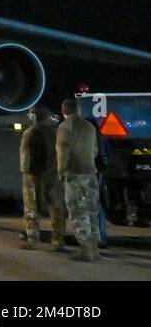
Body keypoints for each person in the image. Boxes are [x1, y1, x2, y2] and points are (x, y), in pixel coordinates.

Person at [57, 97, 101, 262]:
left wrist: (61, 172)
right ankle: (95, 248)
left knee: (77, 211)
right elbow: (95, 150)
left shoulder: (65, 127)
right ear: (79, 110)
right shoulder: (89, 127)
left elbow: (62, 152)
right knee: (92, 210)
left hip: (74, 173)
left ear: (64, 112)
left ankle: (85, 249)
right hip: (90, 172)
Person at [19, 104, 66, 251]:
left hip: (34, 175)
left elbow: (26, 156)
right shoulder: (55, 132)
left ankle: (33, 239)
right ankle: (58, 240)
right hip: (53, 174)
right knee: (56, 208)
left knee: (32, 207)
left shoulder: (30, 133)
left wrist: (25, 172)